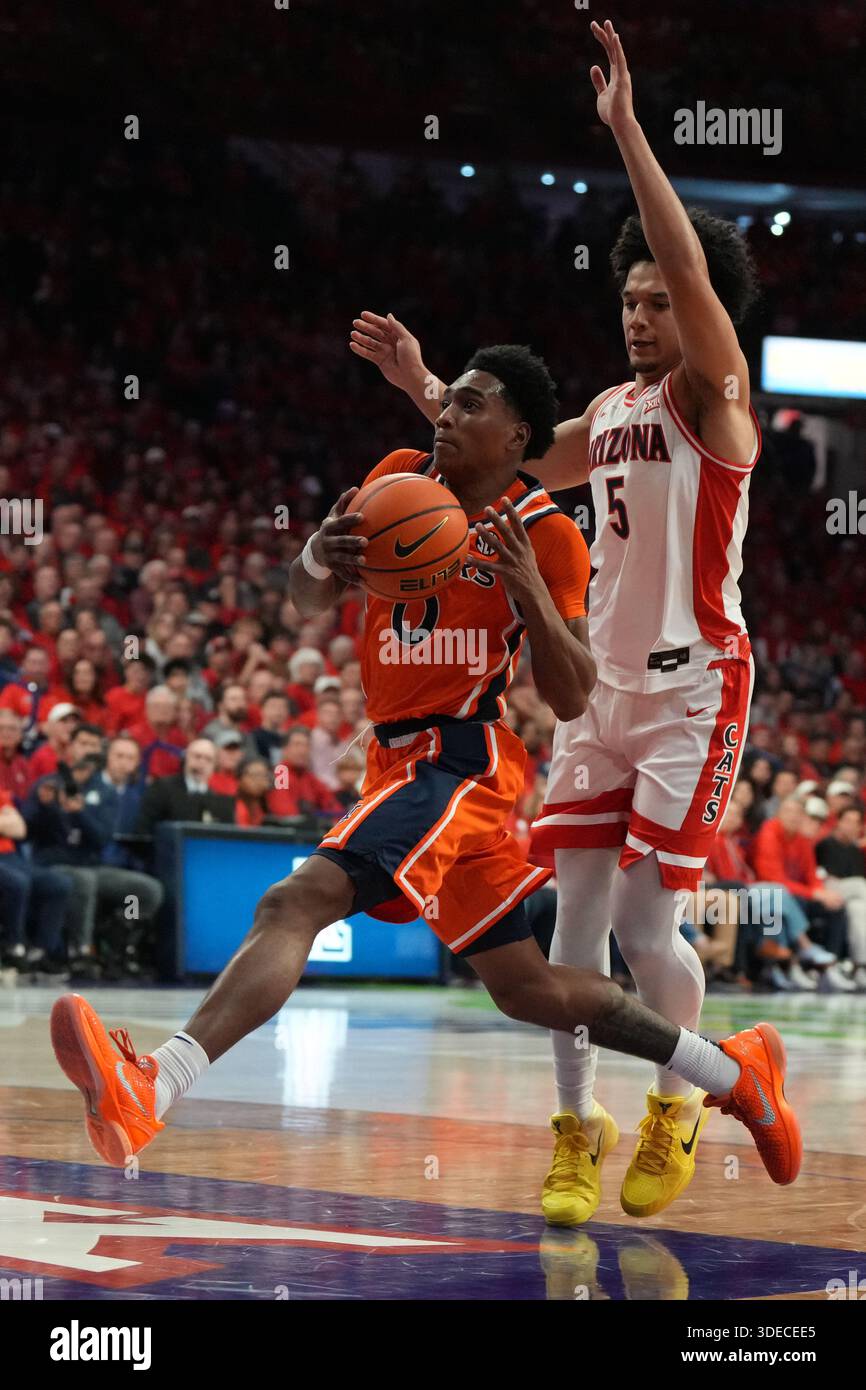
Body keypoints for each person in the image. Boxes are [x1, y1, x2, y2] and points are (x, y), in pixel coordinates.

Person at [51, 343, 801, 1197]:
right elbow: (307, 600)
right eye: (447, 404)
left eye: (470, 406)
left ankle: (153, 1084)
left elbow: (571, 693)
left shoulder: (549, 535)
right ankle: (734, 1076)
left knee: (296, 899)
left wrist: (528, 598)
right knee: (530, 989)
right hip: (390, 755)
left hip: (458, 762)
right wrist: (317, 560)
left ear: (519, 435)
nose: (444, 415)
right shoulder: (400, 476)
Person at [351, 20, 763, 1225]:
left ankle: (679, 1101)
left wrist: (626, 130)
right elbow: (513, 452)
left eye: (657, 299)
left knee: (644, 919)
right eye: (627, 300)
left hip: (697, 689)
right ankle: (575, 1133)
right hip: (606, 693)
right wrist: (421, 388)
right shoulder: (607, 405)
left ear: (694, 312)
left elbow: (692, 276)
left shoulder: (718, 402)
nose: (640, 315)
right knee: (567, 922)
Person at [815, 805, 866, 988]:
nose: (852, 826)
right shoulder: (825, 844)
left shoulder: (855, 851)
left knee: (858, 909)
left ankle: (860, 966)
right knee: (861, 886)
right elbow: (823, 875)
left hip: (849, 896)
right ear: (838, 822)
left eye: (856, 822)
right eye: (848, 821)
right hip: (826, 889)